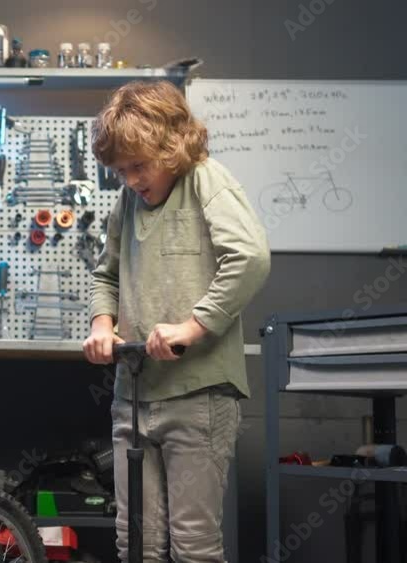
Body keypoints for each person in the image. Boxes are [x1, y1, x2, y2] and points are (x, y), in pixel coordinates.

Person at [82, 80, 271, 563]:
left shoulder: (206, 180)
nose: (130, 180)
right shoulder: (127, 203)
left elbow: (249, 257)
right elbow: (106, 274)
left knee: (193, 546)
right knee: (135, 544)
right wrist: (103, 325)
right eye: (121, 170)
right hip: (135, 395)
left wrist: (193, 327)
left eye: (139, 166)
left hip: (198, 396)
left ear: (172, 147)